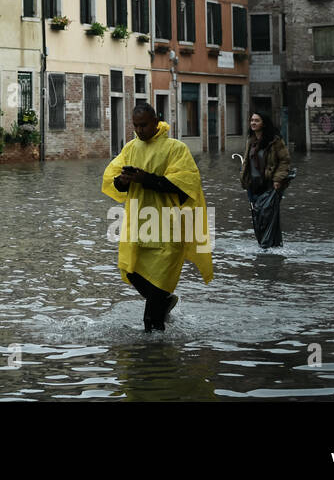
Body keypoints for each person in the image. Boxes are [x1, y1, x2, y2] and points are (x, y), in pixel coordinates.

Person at [102, 103, 214, 332]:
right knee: (131, 270)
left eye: (143, 125)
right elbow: (114, 181)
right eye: (135, 126)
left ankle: (156, 360)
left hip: (169, 229)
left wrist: (147, 179)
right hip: (139, 224)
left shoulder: (176, 149)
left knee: (151, 320)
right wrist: (122, 182)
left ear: (156, 121)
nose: (139, 130)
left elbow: (186, 185)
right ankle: (163, 303)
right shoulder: (131, 148)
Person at [239, 111, 292, 248]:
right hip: (253, 186)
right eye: (252, 120)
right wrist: (244, 179)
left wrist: (277, 180)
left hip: (270, 186)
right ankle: (264, 245)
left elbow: (285, 161)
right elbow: (246, 162)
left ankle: (270, 245)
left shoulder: (275, 141)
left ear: (264, 123)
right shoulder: (250, 141)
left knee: (268, 217)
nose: (253, 123)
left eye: (257, 120)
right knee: (257, 217)